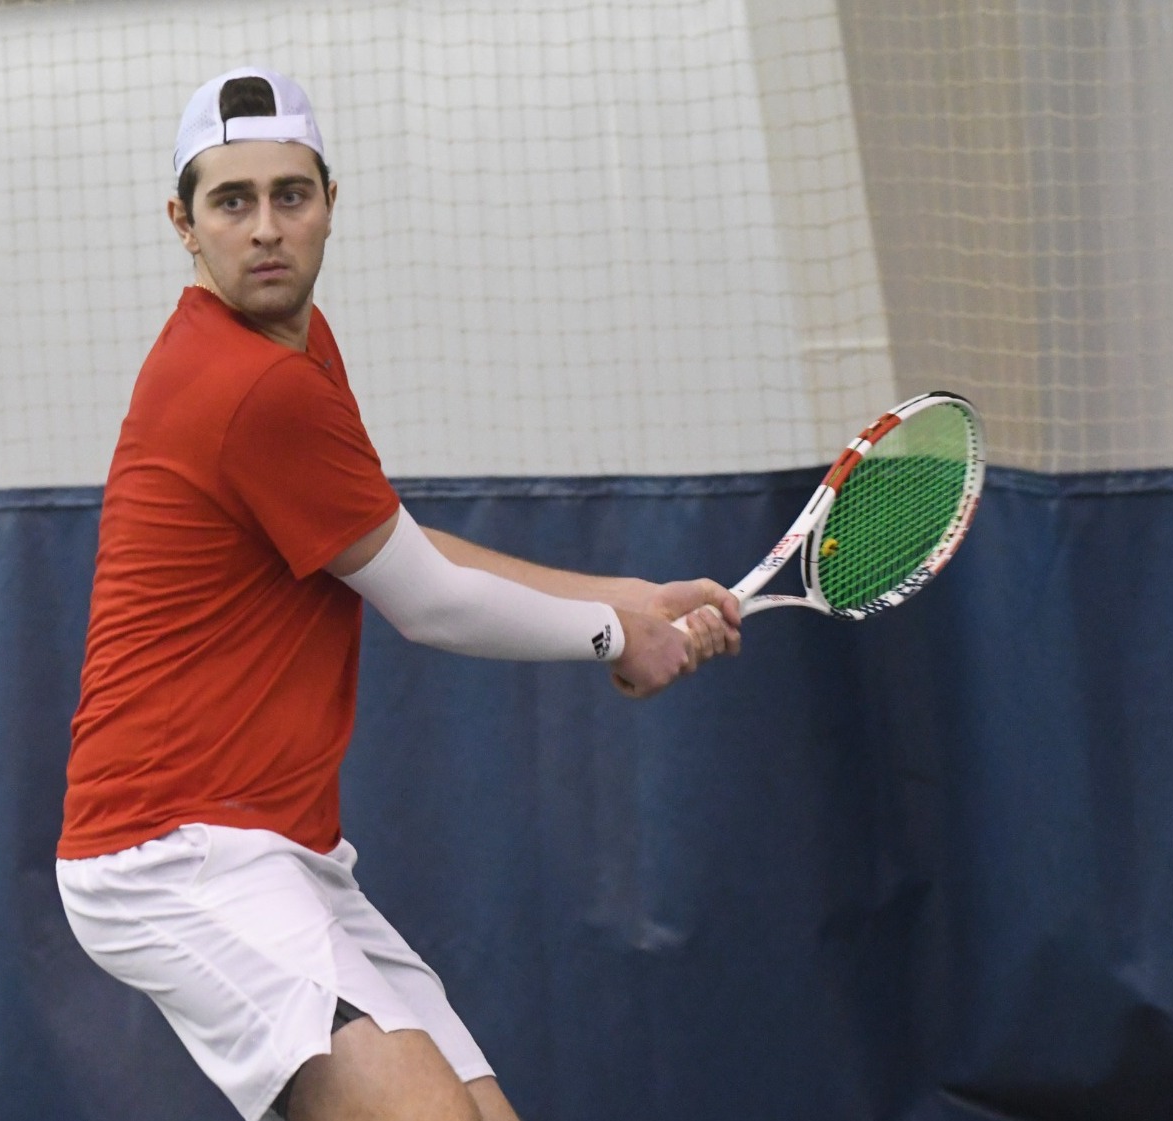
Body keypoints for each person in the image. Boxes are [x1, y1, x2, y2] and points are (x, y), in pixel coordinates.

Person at [55, 66, 742, 1121]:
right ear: (183, 226)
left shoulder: (299, 346)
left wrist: (624, 588)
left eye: (292, 194)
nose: (267, 227)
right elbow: (429, 602)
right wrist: (616, 636)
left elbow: (396, 545)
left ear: (331, 200)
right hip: (171, 854)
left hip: (281, 848)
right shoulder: (250, 384)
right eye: (232, 201)